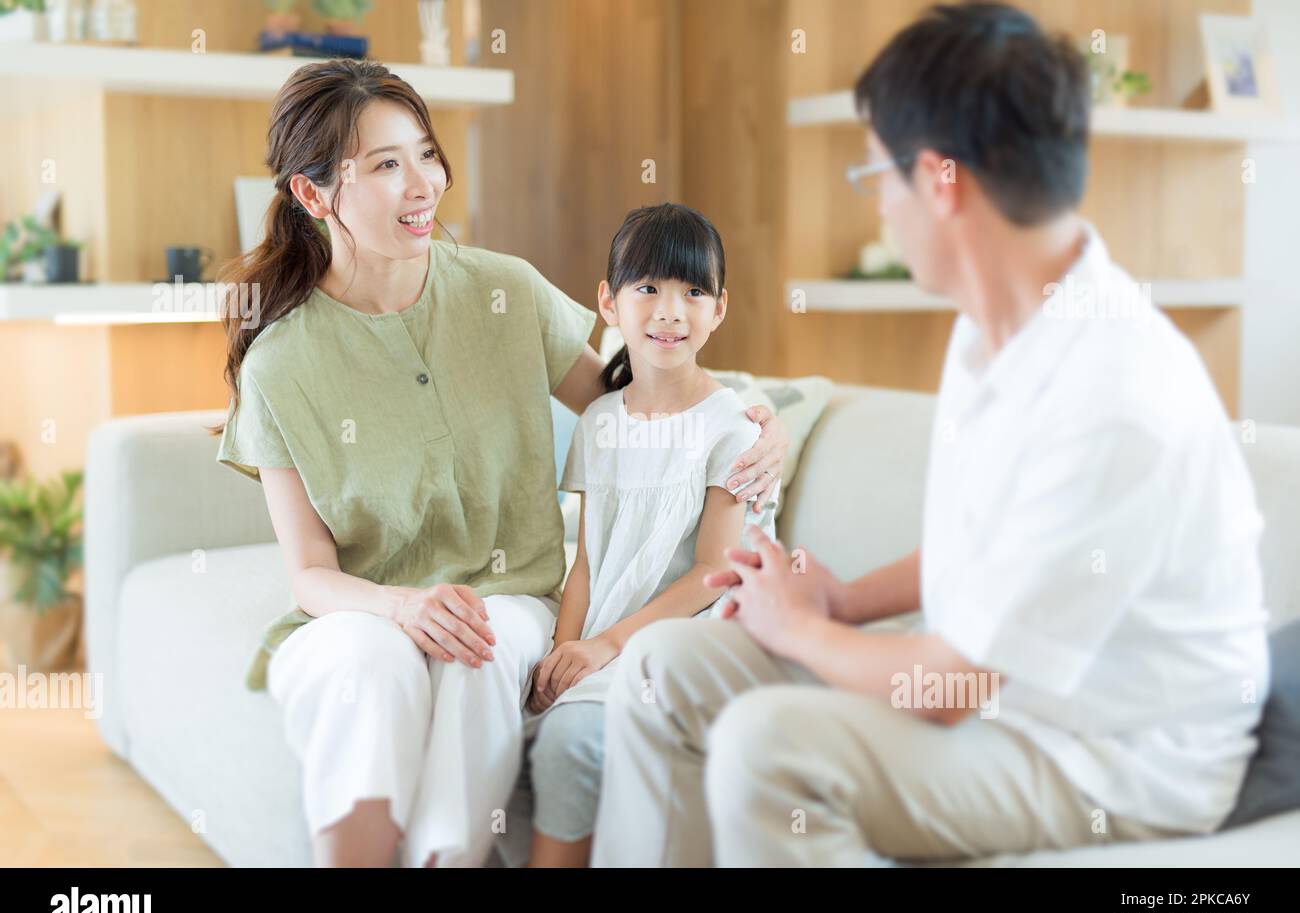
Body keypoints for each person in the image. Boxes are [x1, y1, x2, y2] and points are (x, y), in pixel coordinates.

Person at [591, 2, 1270, 867]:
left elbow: (955, 684)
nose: (879, 207)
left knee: (773, 749)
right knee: (665, 667)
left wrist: (798, 629)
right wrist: (837, 603)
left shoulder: (1115, 392)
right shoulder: (991, 326)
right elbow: (986, 550)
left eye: (877, 177)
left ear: (940, 182)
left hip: (1114, 755)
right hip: (1007, 693)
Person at [211, 59, 789, 868]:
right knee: (364, 669)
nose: (423, 184)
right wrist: (403, 610)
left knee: (479, 649)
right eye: (385, 165)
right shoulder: (280, 364)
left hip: (512, 594)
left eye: (426, 154)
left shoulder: (504, 292)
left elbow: (633, 409)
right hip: (366, 610)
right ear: (312, 197)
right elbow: (310, 574)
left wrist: (759, 419)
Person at [515, 204, 779, 867]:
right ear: (608, 302)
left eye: (694, 291)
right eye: (649, 288)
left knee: (570, 742)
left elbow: (712, 574)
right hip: (609, 636)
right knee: (537, 726)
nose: (671, 310)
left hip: (691, 641)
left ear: (719, 310)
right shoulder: (600, 422)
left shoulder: (731, 428)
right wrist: (563, 649)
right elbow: (588, 561)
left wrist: (603, 645)